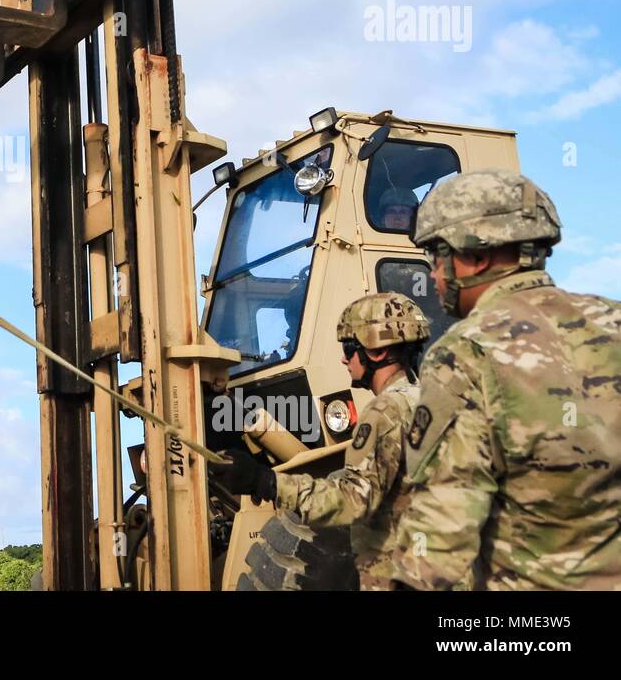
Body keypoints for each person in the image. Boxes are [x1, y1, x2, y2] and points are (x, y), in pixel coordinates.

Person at [391, 169, 621, 590]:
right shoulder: (615, 320)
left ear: (475, 255)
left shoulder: (466, 351)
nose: (435, 277)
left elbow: (441, 529)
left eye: (436, 257)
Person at [214, 293, 428, 589]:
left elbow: (351, 501)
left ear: (376, 352)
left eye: (349, 347)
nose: (343, 358)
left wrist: (266, 482)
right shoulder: (433, 402)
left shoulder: (387, 411)